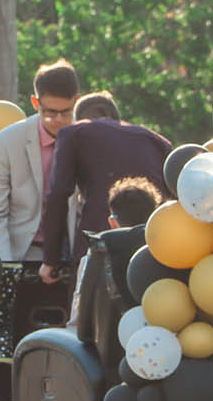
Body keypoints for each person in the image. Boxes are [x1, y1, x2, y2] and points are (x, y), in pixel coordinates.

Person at [38, 92, 172, 285]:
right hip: (154, 245)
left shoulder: (74, 132)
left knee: (86, 311)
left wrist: (51, 260)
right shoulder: (158, 141)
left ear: (80, 119)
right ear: (116, 118)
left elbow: (58, 195)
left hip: (101, 240)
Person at [0, 59, 81, 262]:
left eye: (66, 112)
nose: (59, 119)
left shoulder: (88, 139)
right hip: (25, 252)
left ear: (77, 101)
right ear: (35, 103)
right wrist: (7, 269)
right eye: (51, 112)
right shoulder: (6, 143)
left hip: (74, 251)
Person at [65, 177, 162, 330]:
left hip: (105, 345)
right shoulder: (167, 253)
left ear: (112, 222)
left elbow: (78, 319)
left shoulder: (96, 254)